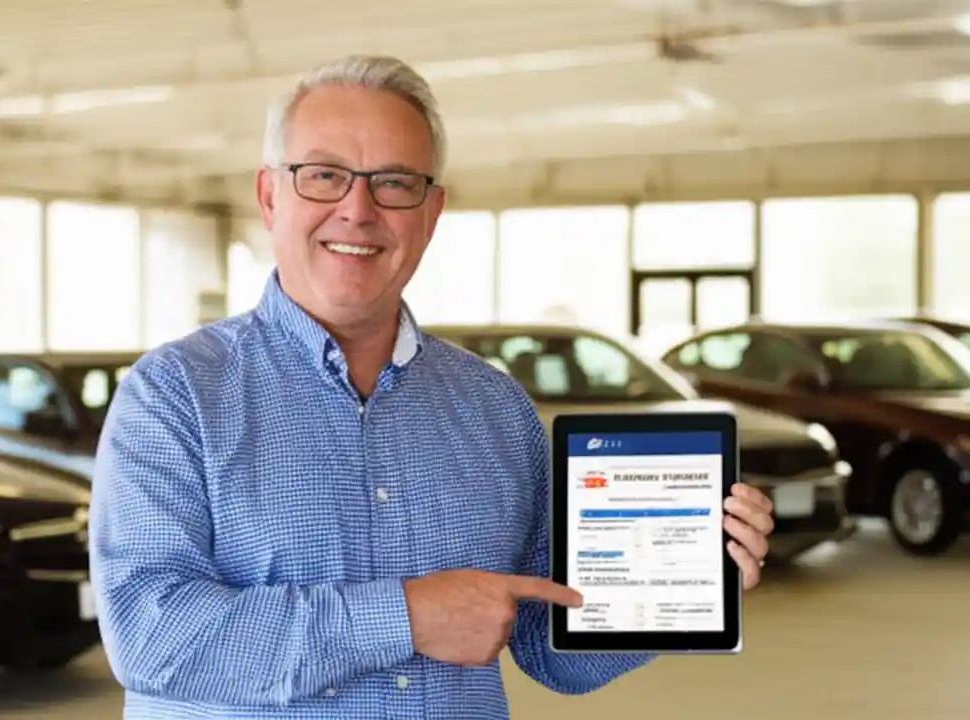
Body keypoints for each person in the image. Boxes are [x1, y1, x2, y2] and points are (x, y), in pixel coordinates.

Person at [88, 54, 775, 719]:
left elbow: (551, 650)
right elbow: (153, 636)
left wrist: (685, 578)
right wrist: (407, 616)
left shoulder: (496, 409)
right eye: (324, 175)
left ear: (432, 211)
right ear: (271, 196)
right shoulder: (175, 394)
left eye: (393, 181)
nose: (358, 210)